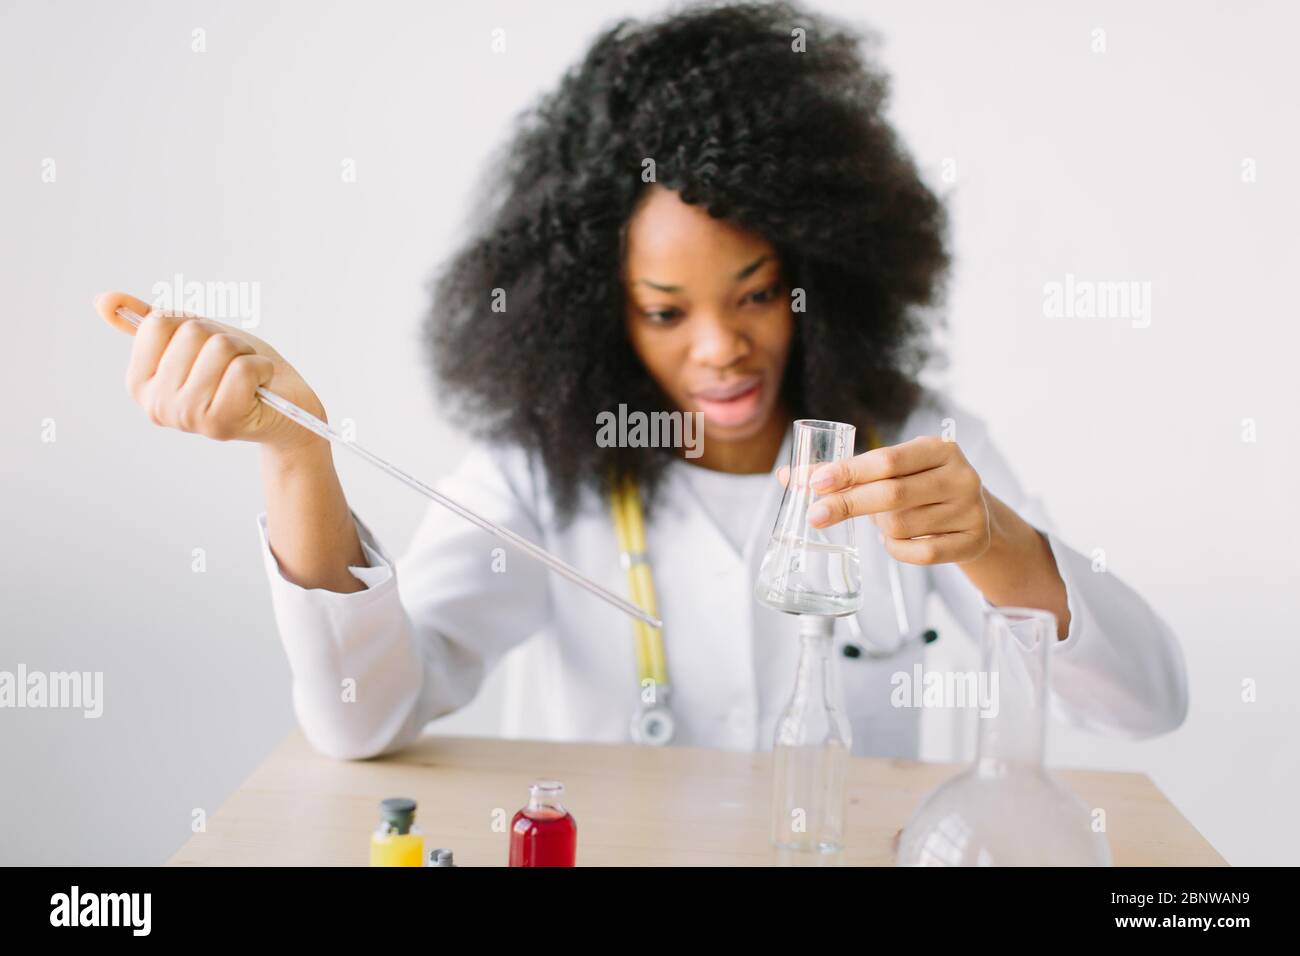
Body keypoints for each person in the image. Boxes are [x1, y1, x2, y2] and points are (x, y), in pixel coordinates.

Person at [94, 1, 1186, 761]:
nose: (720, 347)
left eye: (756, 292)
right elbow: (358, 718)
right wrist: (296, 454)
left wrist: (992, 538)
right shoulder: (540, 470)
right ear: (594, 308)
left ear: (820, 267)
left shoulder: (910, 440)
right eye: (666, 311)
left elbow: (1147, 704)